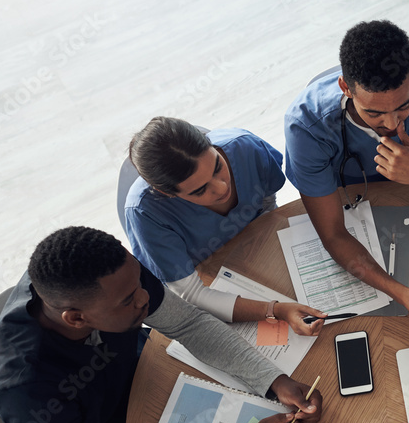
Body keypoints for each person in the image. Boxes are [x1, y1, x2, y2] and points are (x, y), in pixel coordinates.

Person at [0, 227, 324, 423]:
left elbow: (187, 323)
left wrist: (272, 380)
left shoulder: (116, 277)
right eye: (129, 300)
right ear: (76, 319)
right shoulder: (27, 392)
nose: (146, 297)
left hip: (141, 374)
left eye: (139, 281)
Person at [284, 20, 409, 328]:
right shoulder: (306, 126)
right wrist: (401, 293)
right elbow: (333, 234)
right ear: (345, 88)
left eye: (404, 106)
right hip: (352, 197)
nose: (391, 123)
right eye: (373, 112)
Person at [124, 116, 325, 332]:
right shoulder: (145, 213)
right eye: (200, 190)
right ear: (167, 193)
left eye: (217, 166)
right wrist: (274, 310)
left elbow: (267, 204)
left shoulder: (245, 148)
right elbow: (190, 292)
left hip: (263, 254)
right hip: (212, 282)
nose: (221, 188)